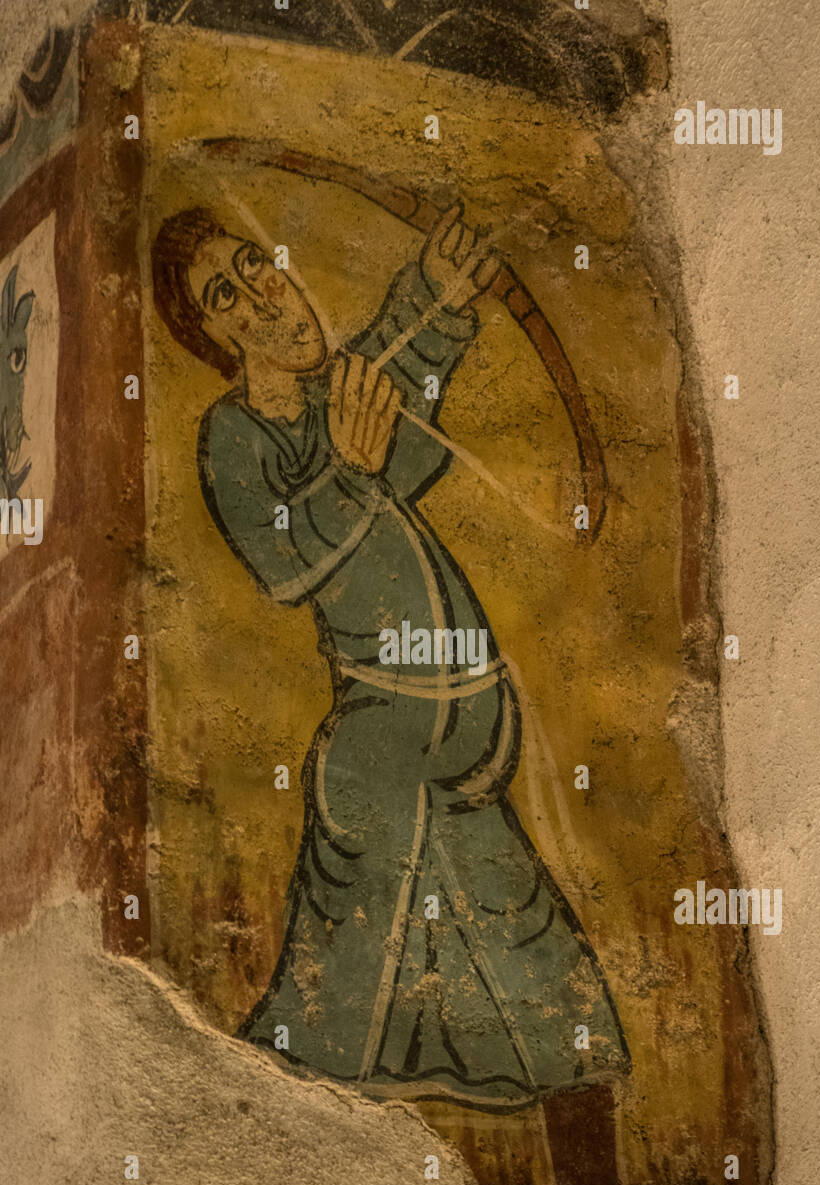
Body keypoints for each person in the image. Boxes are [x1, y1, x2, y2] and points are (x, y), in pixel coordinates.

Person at [151, 201, 629, 1113]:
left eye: (256, 264)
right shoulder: (236, 437)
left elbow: (394, 404)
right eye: (223, 297)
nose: (259, 296)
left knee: (562, 1025)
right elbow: (284, 559)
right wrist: (347, 472)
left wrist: (439, 299)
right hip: (382, 764)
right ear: (212, 337)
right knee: (336, 1027)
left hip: (462, 757)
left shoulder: (343, 402)